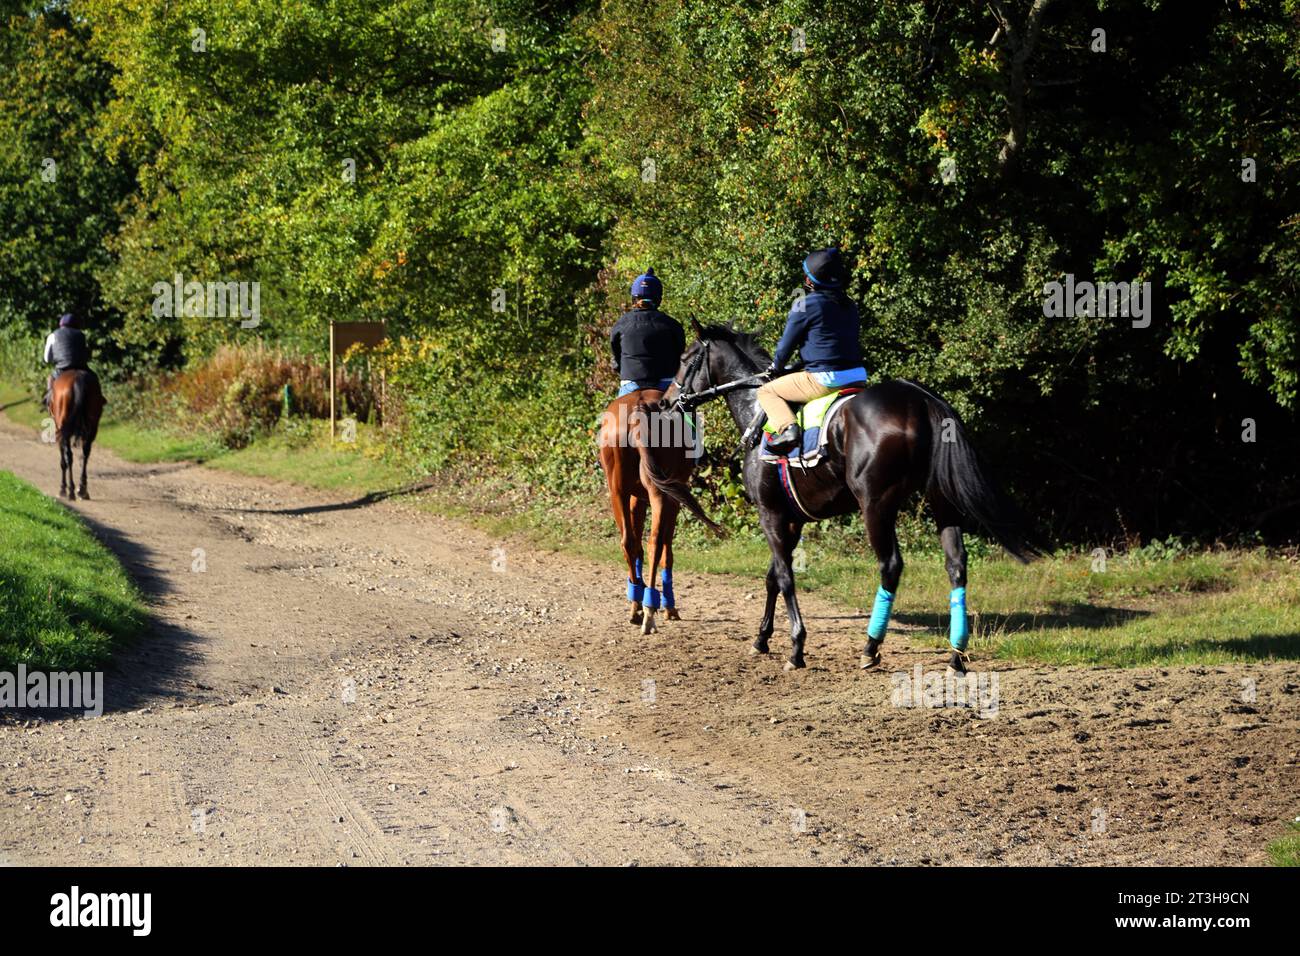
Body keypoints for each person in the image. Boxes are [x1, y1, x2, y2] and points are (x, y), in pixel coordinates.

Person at [757, 248, 866, 454]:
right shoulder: (850, 305)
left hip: (826, 380)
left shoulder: (804, 304)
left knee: (766, 391)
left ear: (811, 280)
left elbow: (785, 346)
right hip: (858, 376)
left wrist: (776, 367)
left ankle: (789, 429)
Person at [609, 269, 685, 397]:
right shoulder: (672, 324)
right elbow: (680, 356)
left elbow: (616, 359)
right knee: (688, 416)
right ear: (659, 299)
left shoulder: (620, 324)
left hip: (631, 383)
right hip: (664, 384)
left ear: (634, 299)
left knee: (613, 415)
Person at [43, 313, 94, 409]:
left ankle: (48, 402)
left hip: (62, 368)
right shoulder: (81, 335)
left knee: (50, 379)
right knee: (94, 378)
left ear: (61, 324)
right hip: (81, 367)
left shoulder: (53, 335)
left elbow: (47, 359)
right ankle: (100, 398)